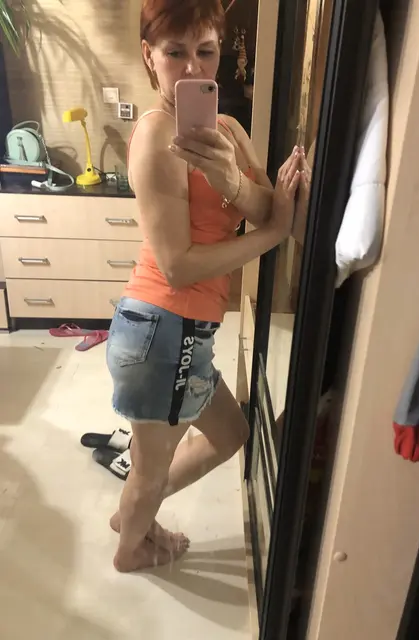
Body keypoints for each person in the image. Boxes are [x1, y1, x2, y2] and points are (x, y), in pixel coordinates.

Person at [106, 0, 309, 573]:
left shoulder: (229, 130)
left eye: (207, 51)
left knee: (230, 432)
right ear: (149, 56)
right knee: (151, 467)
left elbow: (271, 204)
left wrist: (231, 181)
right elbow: (178, 265)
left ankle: (134, 515)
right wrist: (271, 235)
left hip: (183, 332)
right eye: (175, 52)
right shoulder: (157, 135)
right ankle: (129, 550)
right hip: (163, 326)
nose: (193, 68)